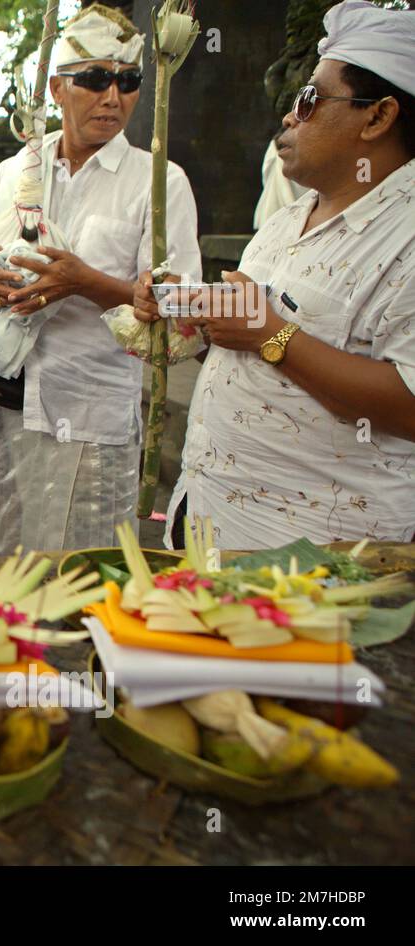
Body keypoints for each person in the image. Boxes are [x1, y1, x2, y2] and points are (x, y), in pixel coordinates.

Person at [143, 0, 415, 548]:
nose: (289, 116)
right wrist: (191, 319)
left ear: (378, 116)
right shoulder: (288, 217)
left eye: (309, 100)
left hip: (317, 553)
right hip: (208, 514)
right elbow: (248, 339)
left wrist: (273, 336)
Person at [0, 4, 200, 556]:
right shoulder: (15, 172)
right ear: (57, 88)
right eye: (94, 80)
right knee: (1, 571)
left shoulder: (159, 182)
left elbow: (180, 312)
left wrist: (86, 282)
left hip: (88, 415)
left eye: (127, 81)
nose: (112, 98)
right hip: (5, 405)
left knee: (81, 578)